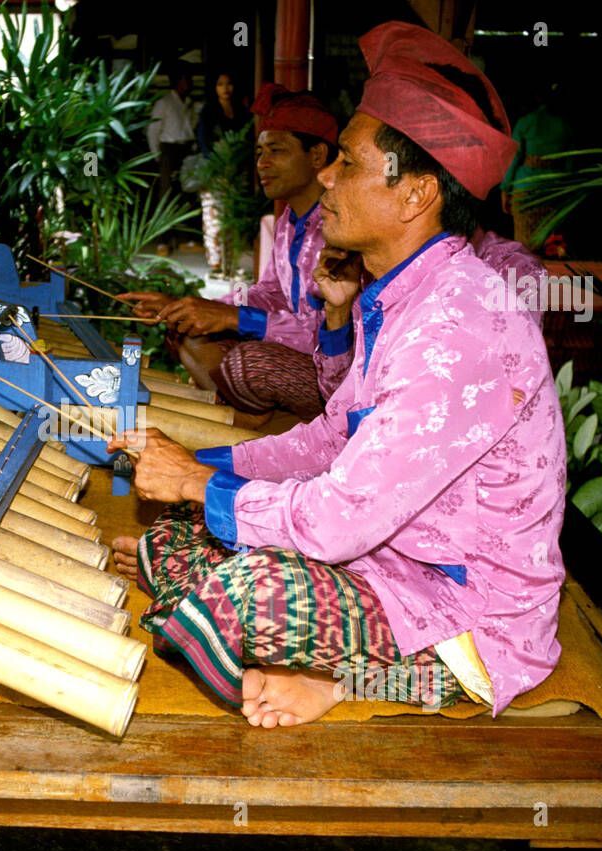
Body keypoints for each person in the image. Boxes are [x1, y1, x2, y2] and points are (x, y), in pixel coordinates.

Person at [107, 21, 566, 729]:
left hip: (469, 608)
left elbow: (339, 520)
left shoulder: (463, 324)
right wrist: (199, 463)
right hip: (384, 560)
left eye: (346, 163)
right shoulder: (399, 298)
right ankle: (300, 663)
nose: (326, 176)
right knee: (178, 531)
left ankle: (357, 680)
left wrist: (201, 483)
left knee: (249, 594)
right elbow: (329, 437)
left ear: (415, 194)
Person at [122, 84, 352, 430]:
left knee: (250, 364)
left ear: (318, 156)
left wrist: (236, 319)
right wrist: (196, 307)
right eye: (259, 153)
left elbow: (330, 334)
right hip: (295, 352)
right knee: (185, 332)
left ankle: (251, 418)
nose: (263, 163)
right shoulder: (289, 221)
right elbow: (270, 292)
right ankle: (242, 411)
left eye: (276, 150)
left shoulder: (342, 228)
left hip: (338, 374)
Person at [501, 82, 574, 254]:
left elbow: (514, 158)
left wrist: (505, 189)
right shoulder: (565, 126)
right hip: (553, 191)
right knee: (552, 244)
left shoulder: (526, 122)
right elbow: (570, 164)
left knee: (525, 245)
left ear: (537, 98)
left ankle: (526, 280)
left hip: (524, 189)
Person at [196, 72, 251, 273]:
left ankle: (230, 260)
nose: (225, 88)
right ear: (214, 88)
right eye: (220, 84)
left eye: (229, 84)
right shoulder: (208, 111)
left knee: (232, 218)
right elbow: (204, 143)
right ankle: (215, 262)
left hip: (236, 171)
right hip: (215, 171)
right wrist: (219, 163)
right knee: (213, 218)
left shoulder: (241, 111)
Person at [147, 65, 197, 207]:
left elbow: (192, 126)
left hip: (186, 148)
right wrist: (157, 155)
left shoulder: (189, 103)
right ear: (178, 81)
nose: (190, 82)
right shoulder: (164, 103)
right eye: (187, 79)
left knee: (187, 188)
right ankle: (165, 226)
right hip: (168, 150)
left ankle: (185, 225)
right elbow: (153, 130)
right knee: (166, 190)